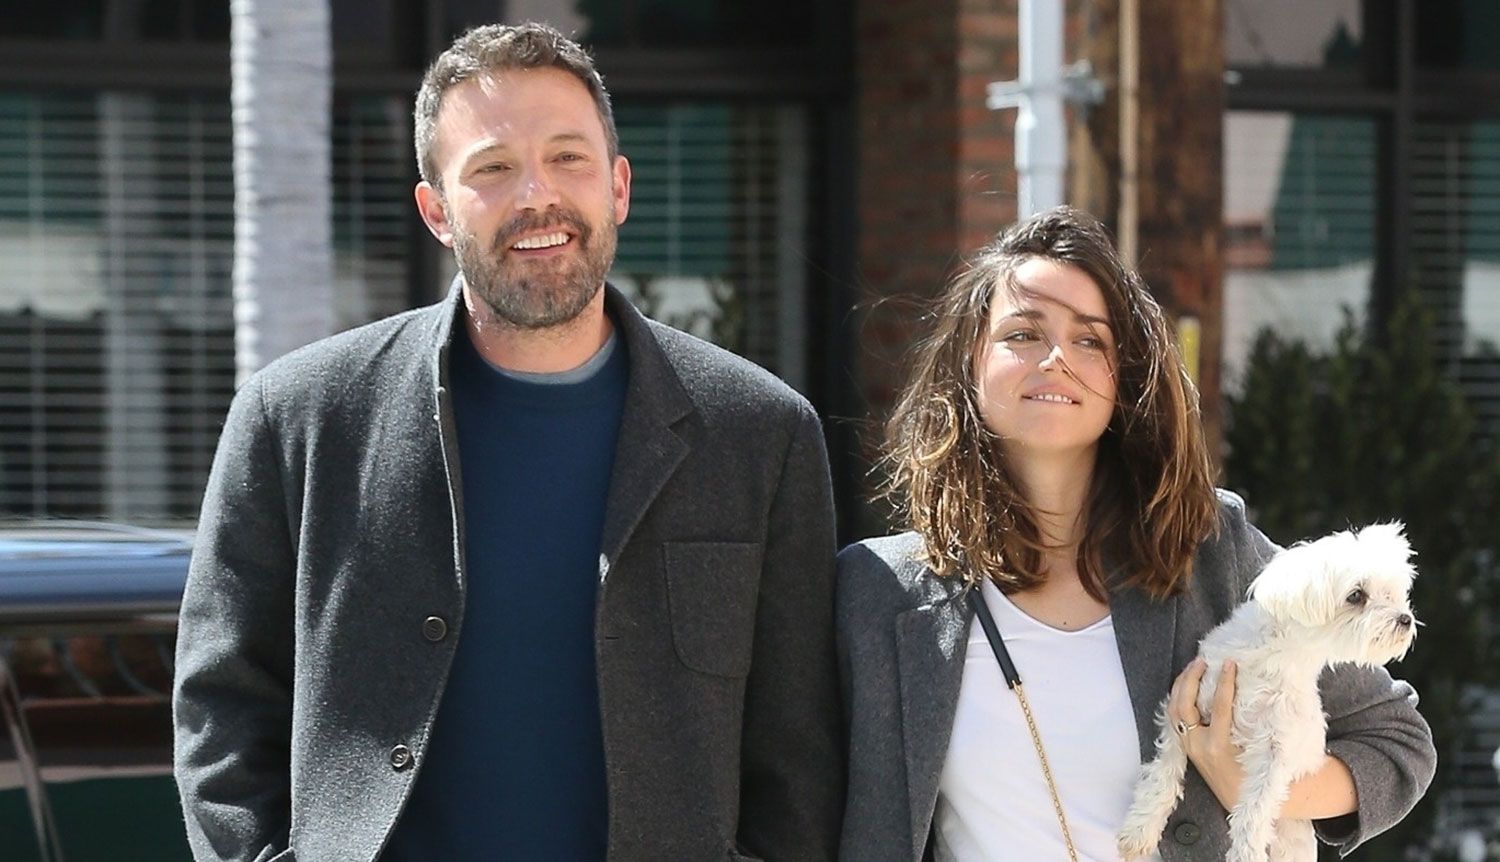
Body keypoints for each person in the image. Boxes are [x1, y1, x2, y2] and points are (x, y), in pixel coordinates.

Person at [172, 22, 842, 862]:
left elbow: (797, 759)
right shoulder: (298, 417)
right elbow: (223, 709)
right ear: (437, 211)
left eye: (569, 158)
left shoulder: (761, 432)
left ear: (619, 187)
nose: (538, 195)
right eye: (492, 168)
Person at [835, 205, 1435, 861]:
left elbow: (1396, 741)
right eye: (1023, 334)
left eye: (1090, 341)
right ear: (970, 363)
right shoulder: (877, 591)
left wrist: (1258, 789)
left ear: (1123, 377)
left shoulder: (1210, 550)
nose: (1056, 359)